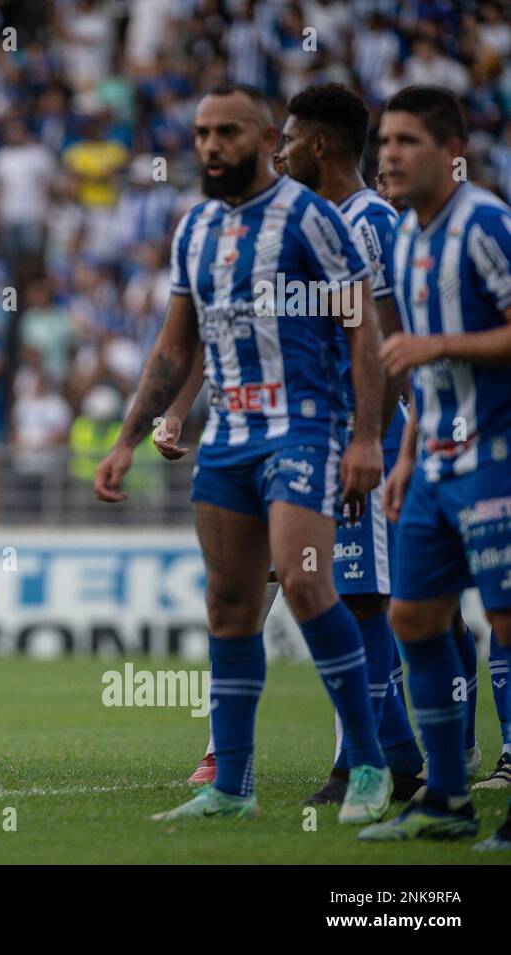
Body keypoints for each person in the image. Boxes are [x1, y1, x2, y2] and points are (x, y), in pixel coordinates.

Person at [95, 85, 392, 824]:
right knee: (228, 604)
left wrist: (366, 434)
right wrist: (130, 436)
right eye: (200, 133)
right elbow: (174, 347)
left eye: (228, 132)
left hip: (305, 427)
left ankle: (369, 762)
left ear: (267, 140)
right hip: (227, 435)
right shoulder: (194, 230)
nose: (210, 146)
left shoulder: (317, 221)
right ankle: (231, 785)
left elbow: (364, 332)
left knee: (302, 579)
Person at [359, 86, 511, 848]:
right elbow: (421, 374)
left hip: (497, 457)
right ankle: (447, 797)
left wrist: (439, 346)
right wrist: (406, 458)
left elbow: (438, 351)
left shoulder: (486, 223)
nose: (389, 154)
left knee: (508, 622)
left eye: (407, 141)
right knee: (413, 617)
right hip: (434, 460)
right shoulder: (407, 240)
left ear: (451, 152)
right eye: (384, 140)